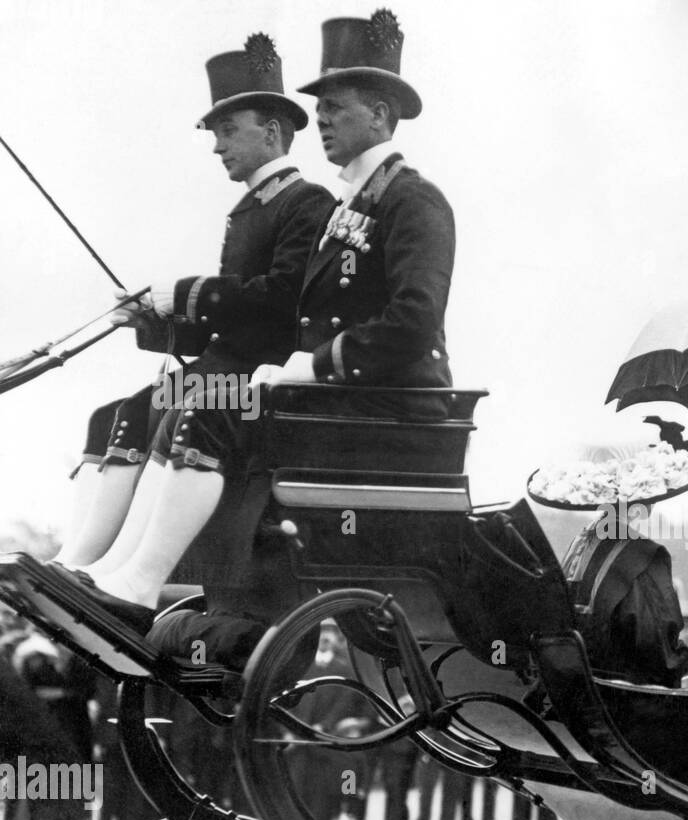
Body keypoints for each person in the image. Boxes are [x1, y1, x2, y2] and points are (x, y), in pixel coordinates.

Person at [52, 9, 454, 640]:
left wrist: (314, 363)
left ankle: (135, 581)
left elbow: (415, 320)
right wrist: (165, 327)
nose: (319, 118)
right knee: (190, 402)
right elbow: (295, 315)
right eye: (317, 107)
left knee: (205, 408)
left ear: (380, 114)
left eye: (335, 106)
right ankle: (115, 573)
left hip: (390, 405)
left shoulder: (412, 198)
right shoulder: (351, 204)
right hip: (340, 394)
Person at [54, 33, 333, 577]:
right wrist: (155, 323)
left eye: (229, 130)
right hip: (222, 371)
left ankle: (117, 571)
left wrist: (185, 293)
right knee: (118, 415)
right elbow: (225, 325)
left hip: (257, 387)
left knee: (170, 411)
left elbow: (278, 303)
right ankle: (78, 563)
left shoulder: (307, 202)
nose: (217, 145)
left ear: (272, 132)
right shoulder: (249, 209)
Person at [529, 440, 688, 689]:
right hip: (626, 697)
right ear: (649, 500)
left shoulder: (581, 542)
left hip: (581, 685)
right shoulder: (642, 558)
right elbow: (660, 656)